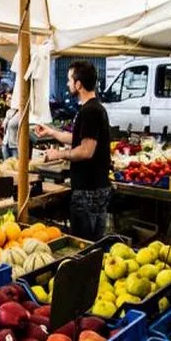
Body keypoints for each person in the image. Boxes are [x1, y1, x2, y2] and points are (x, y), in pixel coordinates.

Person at [35, 61, 111, 240]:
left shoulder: (90, 112)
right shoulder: (94, 108)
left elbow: (85, 151)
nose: (68, 84)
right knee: (94, 244)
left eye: (70, 80)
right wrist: (52, 132)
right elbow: (79, 139)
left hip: (88, 191)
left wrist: (57, 154)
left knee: (84, 245)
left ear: (78, 84)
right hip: (95, 188)